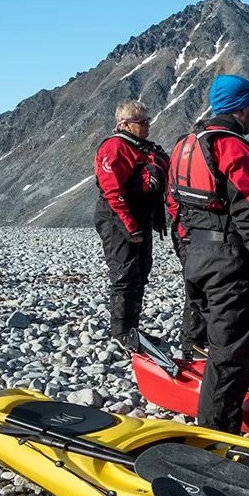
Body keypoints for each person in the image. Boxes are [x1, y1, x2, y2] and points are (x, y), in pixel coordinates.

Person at [167, 74, 249, 433]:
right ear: (241, 107)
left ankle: (213, 414)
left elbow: (175, 209)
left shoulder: (185, 145)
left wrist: (187, 254)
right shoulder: (233, 147)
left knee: (217, 345)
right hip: (230, 259)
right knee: (232, 352)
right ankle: (218, 433)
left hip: (198, 256)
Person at [93, 100, 169, 349]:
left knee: (141, 271)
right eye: (142, 122)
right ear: (124, 124)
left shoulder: (145, 148)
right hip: (119, 218)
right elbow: (112, 190)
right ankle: (121, 332)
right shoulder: (115, 147)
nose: (147, 126)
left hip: (141, 217)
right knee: (124, 274)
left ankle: (133, 328)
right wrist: (130, 226)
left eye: (148, 121)